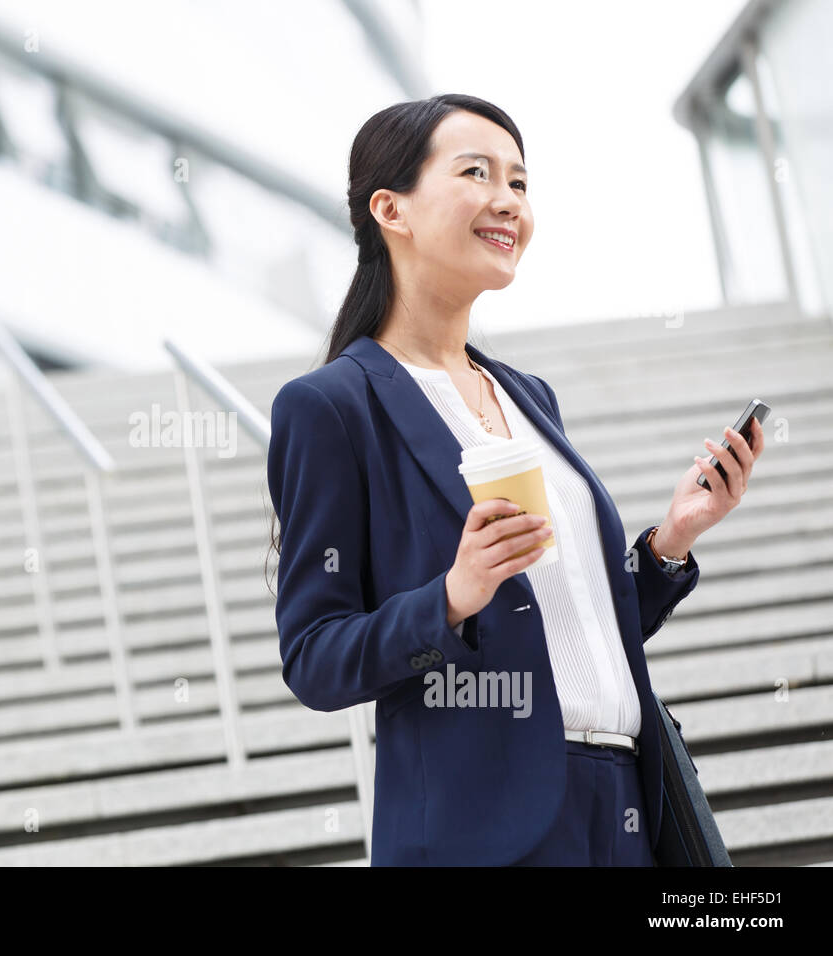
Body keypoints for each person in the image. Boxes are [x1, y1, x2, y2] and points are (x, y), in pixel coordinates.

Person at [264, 95, 764, 866]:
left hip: (625, 802)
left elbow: (571, 622)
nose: (509, 202)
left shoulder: (528, 397)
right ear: (390, 209)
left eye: (520, 183)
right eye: (477, 173)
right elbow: (316, 657)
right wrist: (452, 597)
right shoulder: (331, 407)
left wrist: (670, 543)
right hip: (486, 829)